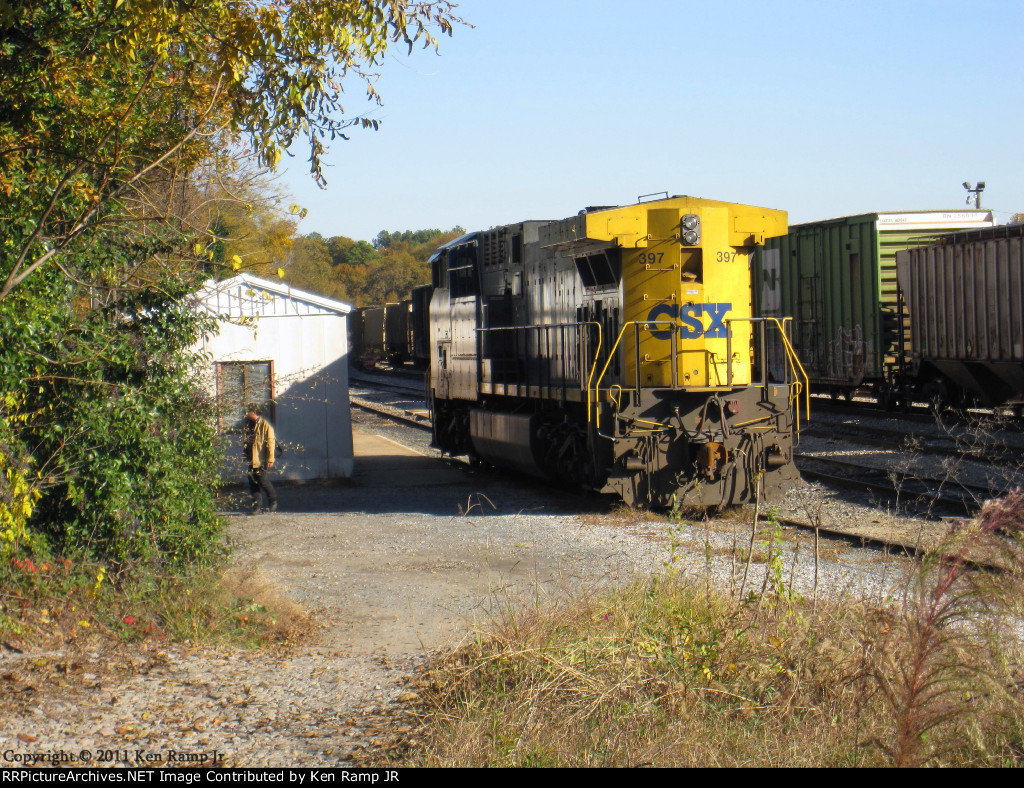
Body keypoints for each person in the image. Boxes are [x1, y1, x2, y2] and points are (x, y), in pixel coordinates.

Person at [243, 402, 277, 513]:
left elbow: (271, 442)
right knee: (252, 482)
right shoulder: (248, 424)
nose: (247, 414)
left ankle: (273, 500)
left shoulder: (265, 425)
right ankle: (256, 506)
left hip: (261, 458)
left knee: (262, 480)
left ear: (254, 412)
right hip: (250, 458)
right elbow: (246, 442)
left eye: (248, 411)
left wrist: (270, 459)